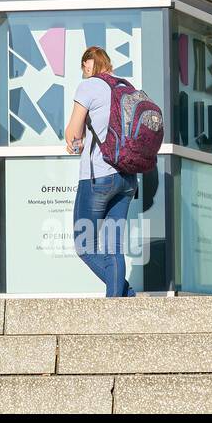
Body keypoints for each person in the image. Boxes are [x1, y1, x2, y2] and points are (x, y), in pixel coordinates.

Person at [64, 45, 139, 298]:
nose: (84, 72)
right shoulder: (125, 87)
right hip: (127, 178)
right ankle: (117, 303)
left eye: (84, 67)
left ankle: (124, 295)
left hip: (98, 177)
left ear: (88, 64)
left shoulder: (89, 86)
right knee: (113, 247)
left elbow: (73, 133)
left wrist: (74, 142)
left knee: (84, 246)